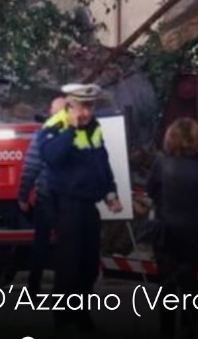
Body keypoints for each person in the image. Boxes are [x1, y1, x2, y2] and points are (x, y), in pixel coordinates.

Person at [39, 83, 123, 332]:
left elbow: (101, 163)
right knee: (69, 265)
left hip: (89, 204)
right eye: (82, 107)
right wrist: (71, 130)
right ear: (70, 105)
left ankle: (82, 313)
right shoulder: (56, 126)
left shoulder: (94, 127)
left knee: (88, 264)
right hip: (67, 204)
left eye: (90, 106)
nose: (87, 112)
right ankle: (63, 317)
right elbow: (51, 157)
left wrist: (111, 193)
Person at [147, 117, 198, 339]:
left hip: (166, 230)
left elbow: (150, 190)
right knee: (189, 280)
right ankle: (188, 328)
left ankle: (166, 330)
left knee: (166, 283)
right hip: (192, 230)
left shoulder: (161, 164)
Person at [18, 95, 67, 294]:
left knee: (41, 242)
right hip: (69, 199)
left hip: (46, 196)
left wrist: (22, 195)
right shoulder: (78, 134)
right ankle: (65, 290)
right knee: (67, 244)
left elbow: (31, 166)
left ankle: (33, 287)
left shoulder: (42, 135)